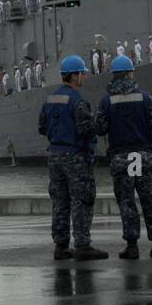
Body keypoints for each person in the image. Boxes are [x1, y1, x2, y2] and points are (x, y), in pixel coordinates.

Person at [95, 55, 152, 259]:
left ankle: (132, 246)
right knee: (150, 200)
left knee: (127, 202)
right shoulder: (144, 97)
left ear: (114, 76)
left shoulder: (106, 101)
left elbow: (99, 128)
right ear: (129, 74)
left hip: (121, 158)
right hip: (144, 155)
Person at [39, 55, 106, 261]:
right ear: (75, 75)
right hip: (75, 156)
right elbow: (86, 129)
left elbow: (42, 127)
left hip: (55, 156)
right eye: (82, 73)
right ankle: (82, 244)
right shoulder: (77, 101)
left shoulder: (50, 99)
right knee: (82, 199)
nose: (83, 77)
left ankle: (61, 245)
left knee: (60, 201)